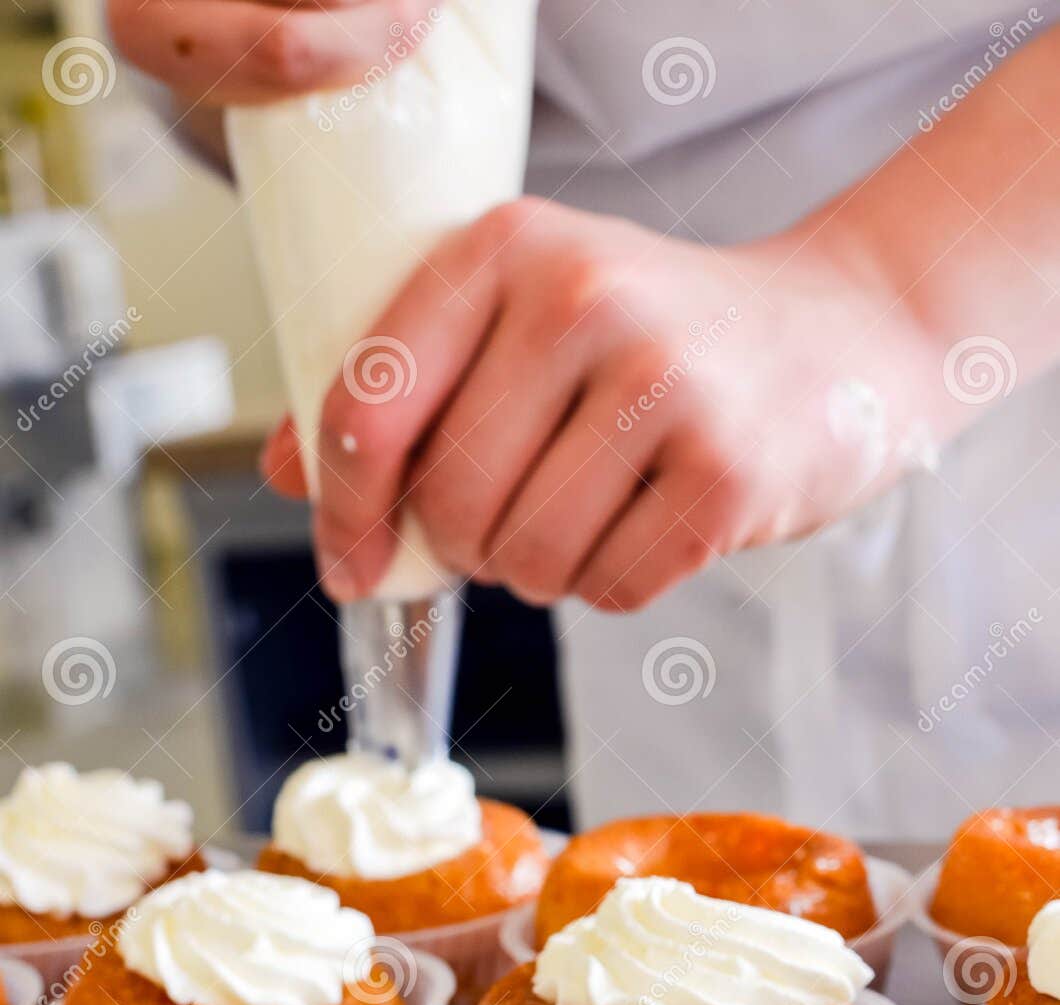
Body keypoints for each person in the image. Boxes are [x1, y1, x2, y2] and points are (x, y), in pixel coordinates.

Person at [110, 0, 1060, 837]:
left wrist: (885, 296)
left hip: (1015, 354)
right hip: (595, 446)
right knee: (667, 979)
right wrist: (253, 48)